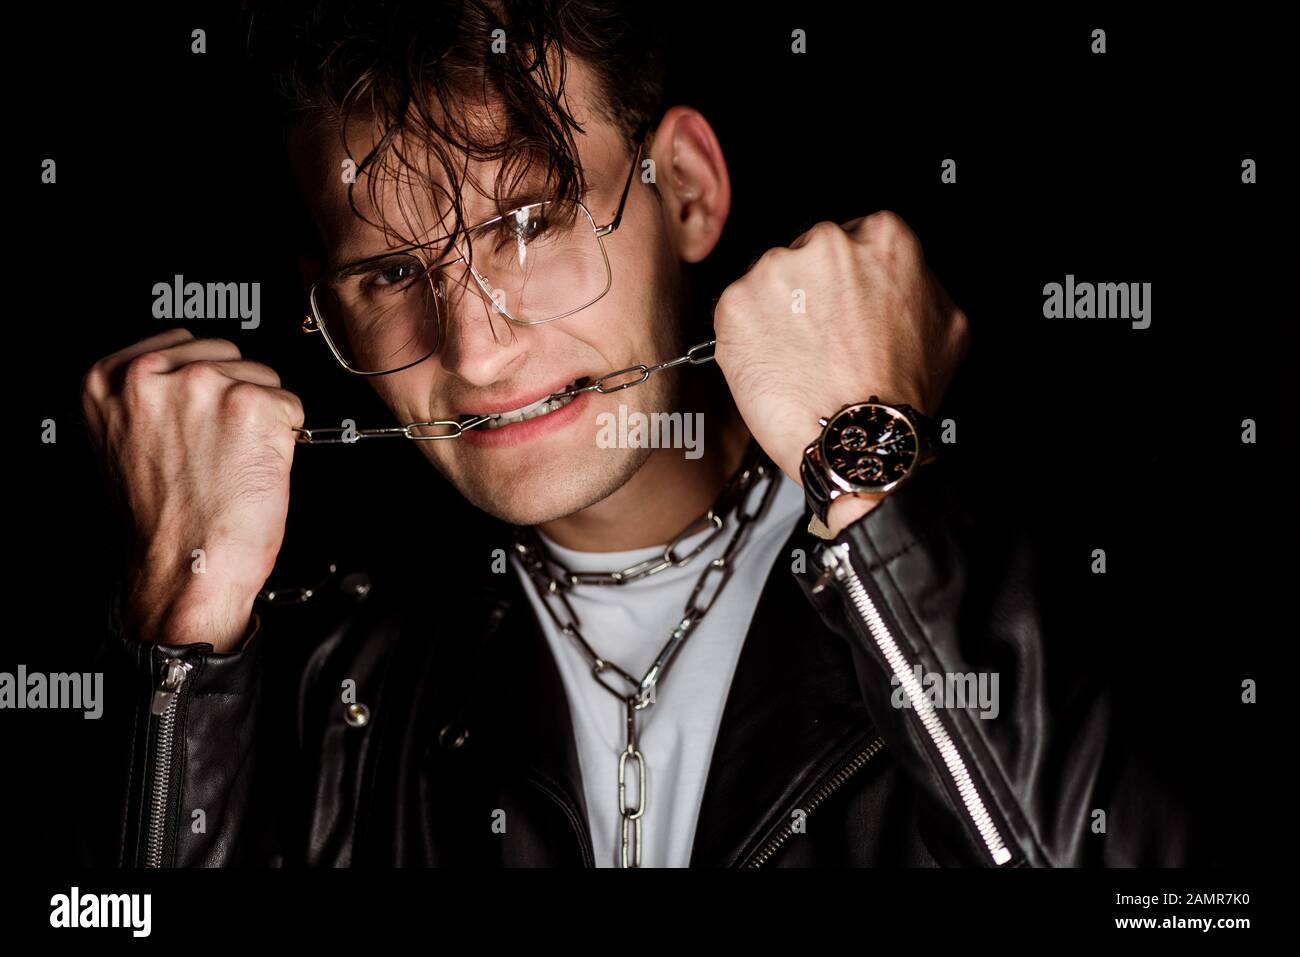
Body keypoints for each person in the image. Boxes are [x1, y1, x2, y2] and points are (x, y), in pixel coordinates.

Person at [79, 0, 1191, 867]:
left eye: (527, 223)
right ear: (327, 306)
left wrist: (872, 477)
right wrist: (184, 643)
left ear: (691, 191)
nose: (473, 348)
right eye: (391, 273)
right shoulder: (331, 685)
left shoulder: (1064, 556)